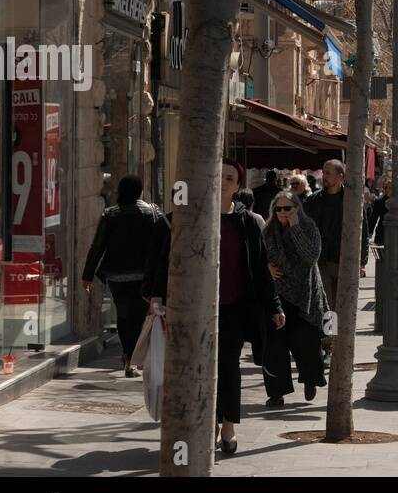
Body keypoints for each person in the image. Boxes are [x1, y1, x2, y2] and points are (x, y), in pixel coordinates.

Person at [143, 159, 285, 454]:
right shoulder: (188, 216)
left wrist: (274, 305)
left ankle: (229, 425)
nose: (223, 181)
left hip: (233, 308)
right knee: (197, 368)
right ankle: (205, 424)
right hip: (192, 309)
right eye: (218, 175)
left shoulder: (246, 222)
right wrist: (157, 296)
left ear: (238, 186)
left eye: (230, 178)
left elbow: (259, 268)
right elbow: (167, 260)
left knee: (229, 367)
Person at [82, 175, 160, 378]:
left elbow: (97, 247)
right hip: (144, 275)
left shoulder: (110, 214)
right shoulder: (152, 212)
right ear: (140, 191)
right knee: (140, 316)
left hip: (117, 277)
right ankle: (133, 359)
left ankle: (128, 356)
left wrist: (87, 275)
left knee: (124, 316)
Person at [262, 190, 329, 406]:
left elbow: (310, 256)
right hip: (276, 294)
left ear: (297, 208)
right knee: (274, 346)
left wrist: (295, 228)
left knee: (307, 342)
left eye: (287, 208)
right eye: (278, 209)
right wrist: (266, 269)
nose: (282, 212)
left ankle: (310, 379)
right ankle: (276, 392)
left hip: (305, 295)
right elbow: (255, 256)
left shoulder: (308, 227)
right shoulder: (268, 231)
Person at [303, 159, 369, 364]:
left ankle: (339, 345)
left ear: (341, 177)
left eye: (329, 173)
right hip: (320, 261)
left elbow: (363, 232)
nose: (325, 177)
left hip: (344, 261)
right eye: (324, 172)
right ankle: (329, 346)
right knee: (327, 307)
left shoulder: (352, 201)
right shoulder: (312, 201)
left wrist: (362, 261)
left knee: (342, 307)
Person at [367, 179, 392, 246]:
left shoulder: (397, 203)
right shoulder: (379, 202)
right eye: (387, 187)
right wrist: (370, 232)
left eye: (391, 188)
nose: (389, 190)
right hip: (381, 233)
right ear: (385, 189)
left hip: (394, 233)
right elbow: (374, 218)